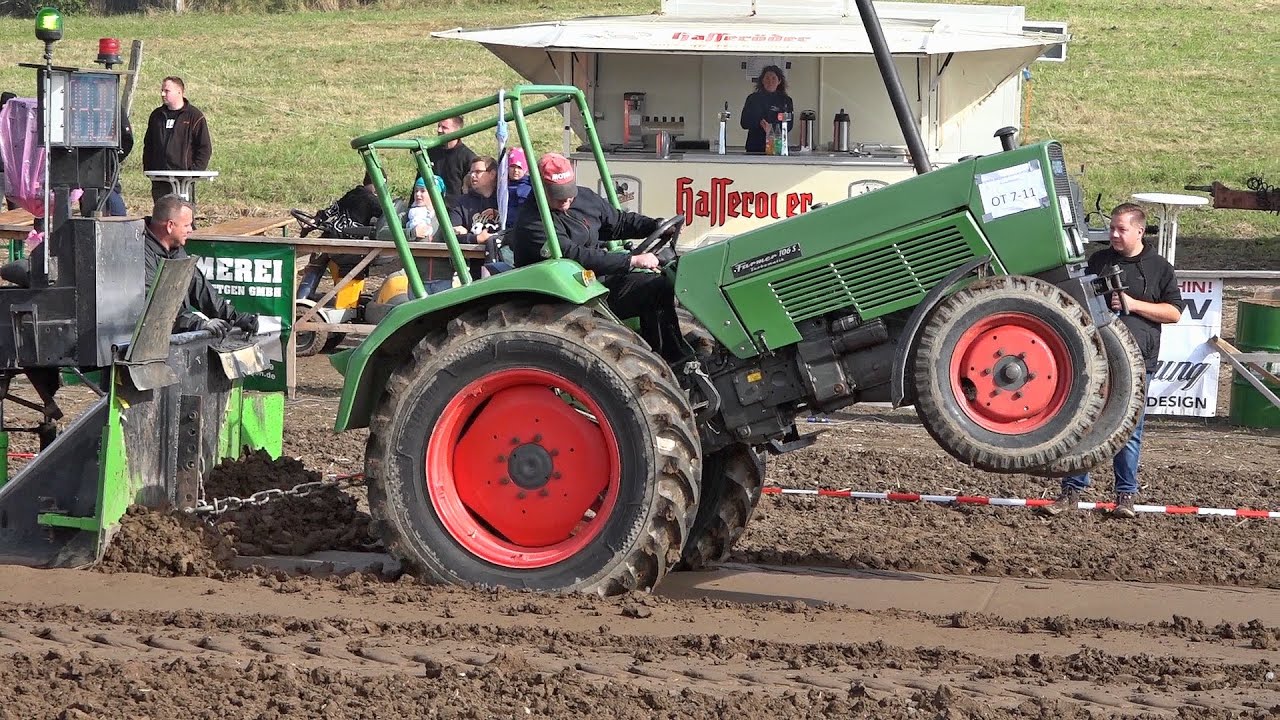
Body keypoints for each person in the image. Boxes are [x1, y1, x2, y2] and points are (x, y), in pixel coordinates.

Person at [1043, 202, 1182, 519]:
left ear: (1139, 231)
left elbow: (1173, 313)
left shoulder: (1161, 268)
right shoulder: (1100, 260)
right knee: (1082, 423)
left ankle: (1125, 498)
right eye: (1112, 228)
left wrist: (1134, 304)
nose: (1115, 234)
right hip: (1095, 358)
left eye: (1121, 229)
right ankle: (1071, 492)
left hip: (1137, 362)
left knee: (1130, 430)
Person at [511, 153, 687, 363]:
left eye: (568, 192)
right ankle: (668, 361)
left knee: (661, 284)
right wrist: (632, 261)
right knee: (653, 288)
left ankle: (673, 355)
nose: (566, 199)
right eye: (557, 194)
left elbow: (619, 222)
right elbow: (574, 256)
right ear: (540, 189)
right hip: (567, 298)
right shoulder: (532, 223)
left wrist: (656, 225)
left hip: (593, 281)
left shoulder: (583, 199)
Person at [143, 194, 257, 337]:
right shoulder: (140, 254)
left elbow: (199, 288)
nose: (191, 230)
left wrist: (236, 318)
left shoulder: (174, 249)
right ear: (170, 226)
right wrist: (199, 324)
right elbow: (154, 306)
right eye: (187, 225)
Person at [142, 76, 213, 202]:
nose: (162, 94)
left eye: (167, 91)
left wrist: (194, 172)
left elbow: (204, 147)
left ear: (179, 92)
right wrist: (149, 169)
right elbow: (148, 145)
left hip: (184, 182)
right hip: (160, 180)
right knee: (162, 216)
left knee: (183, 216)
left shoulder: (194, 116)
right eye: (162, 90)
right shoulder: (156, 116)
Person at [740, 65, 793, 154]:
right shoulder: (753, 98)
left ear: (779, 81)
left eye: (773, 78)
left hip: (777, 146)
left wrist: (771, 128)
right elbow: (744, 123)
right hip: (754, 147)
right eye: (767, 78)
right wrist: (759, 123)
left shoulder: (785, 100)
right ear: (762, 81)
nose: (770, 81)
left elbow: (789, 125)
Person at [427, 115, 477, 199]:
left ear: (456, 131)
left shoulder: (467, 157)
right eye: (438, 126)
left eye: (444, 127)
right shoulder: (431, 152)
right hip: (429, 206)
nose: (439, 130)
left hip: (454, 209)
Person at [504, 147, 532, 226]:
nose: (515, 170)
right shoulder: (502, 186)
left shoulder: (530, 187)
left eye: (519, 167)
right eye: (512, 166)